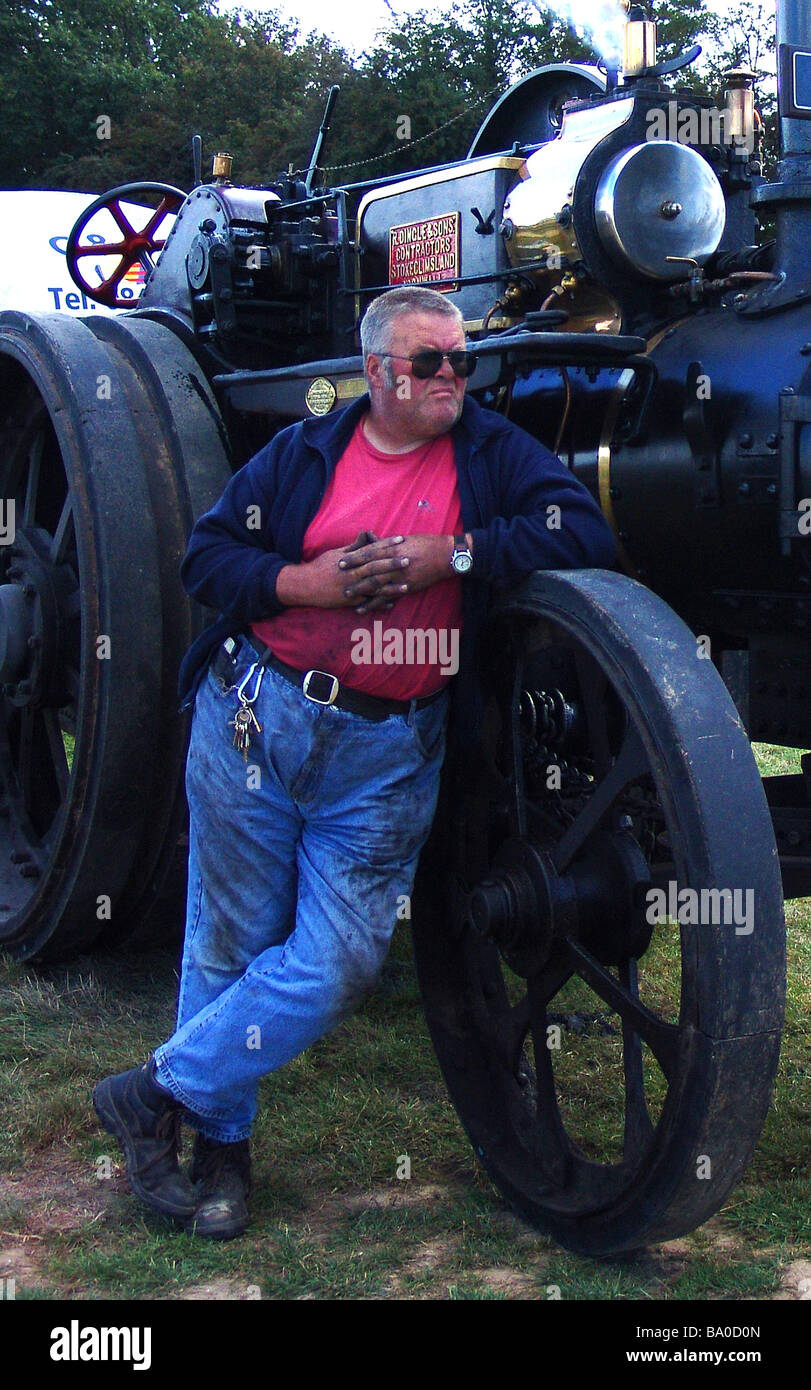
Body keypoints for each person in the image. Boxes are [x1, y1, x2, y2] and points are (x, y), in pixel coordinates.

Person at [93, 285, 617, 1239]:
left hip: (385, 751)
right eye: (429, 362)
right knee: (230, 940)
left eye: (462, 359)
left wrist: (446, 559)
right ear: (375, 371)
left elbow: (579, 530)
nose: (453, 375)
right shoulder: (302, 455)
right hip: (258, 719)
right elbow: (204, 561)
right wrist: (302, 582)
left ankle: (150, 1093)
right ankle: (220, 1152)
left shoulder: (491, 453)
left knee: (339, 963)